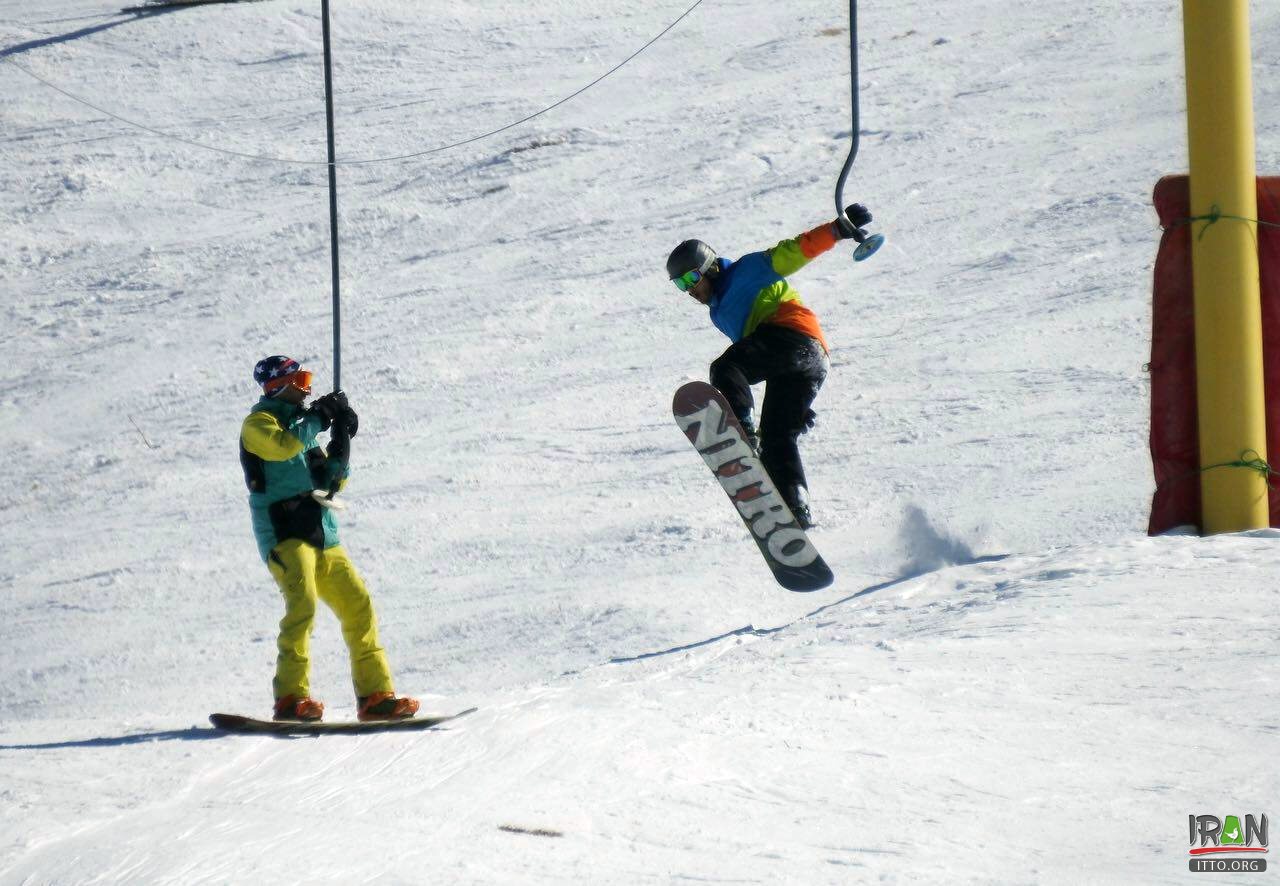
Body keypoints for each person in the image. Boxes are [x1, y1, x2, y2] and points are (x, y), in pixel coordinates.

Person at [666, 204, 873, 529]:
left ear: (710, 268)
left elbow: (794, 251)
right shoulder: (718, 313)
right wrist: (796, 404)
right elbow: (758, 356)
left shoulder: (748, 270)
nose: (690, 289)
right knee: (777, 436)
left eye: (692, 277)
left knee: (725, 368)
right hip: (808, 362)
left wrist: (836, 230)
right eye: (681, 285)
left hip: (795, 337)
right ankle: (796, 510)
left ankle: (742, 432)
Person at [239, 355, 419, 722]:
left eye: (307, 380)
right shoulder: (259, 424)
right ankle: (290, 698)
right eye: (300, 380)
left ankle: (376, 696)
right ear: (277, 386)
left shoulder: (303, 430)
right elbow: (283, 447)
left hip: (322, 533)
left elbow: (329, 482)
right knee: (302, 607)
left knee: (358, 605)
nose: (306, 388)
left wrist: (341, 443)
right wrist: (319, 418)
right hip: (284, 532)